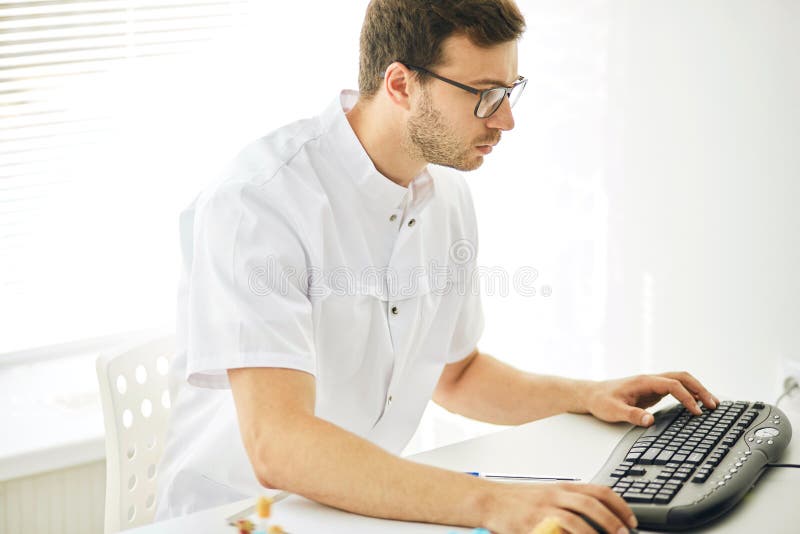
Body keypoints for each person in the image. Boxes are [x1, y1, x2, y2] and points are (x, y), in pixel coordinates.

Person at [155, 1, 720, 533]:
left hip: (355, 506)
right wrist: (495, 502)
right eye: (483, 94)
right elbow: (279, 445)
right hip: (241, 517)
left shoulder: (442, 193)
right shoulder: (259, 203)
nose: (505, 121)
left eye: (509, 91)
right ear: (401, 84)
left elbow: (456, 374)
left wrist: (589, 394)